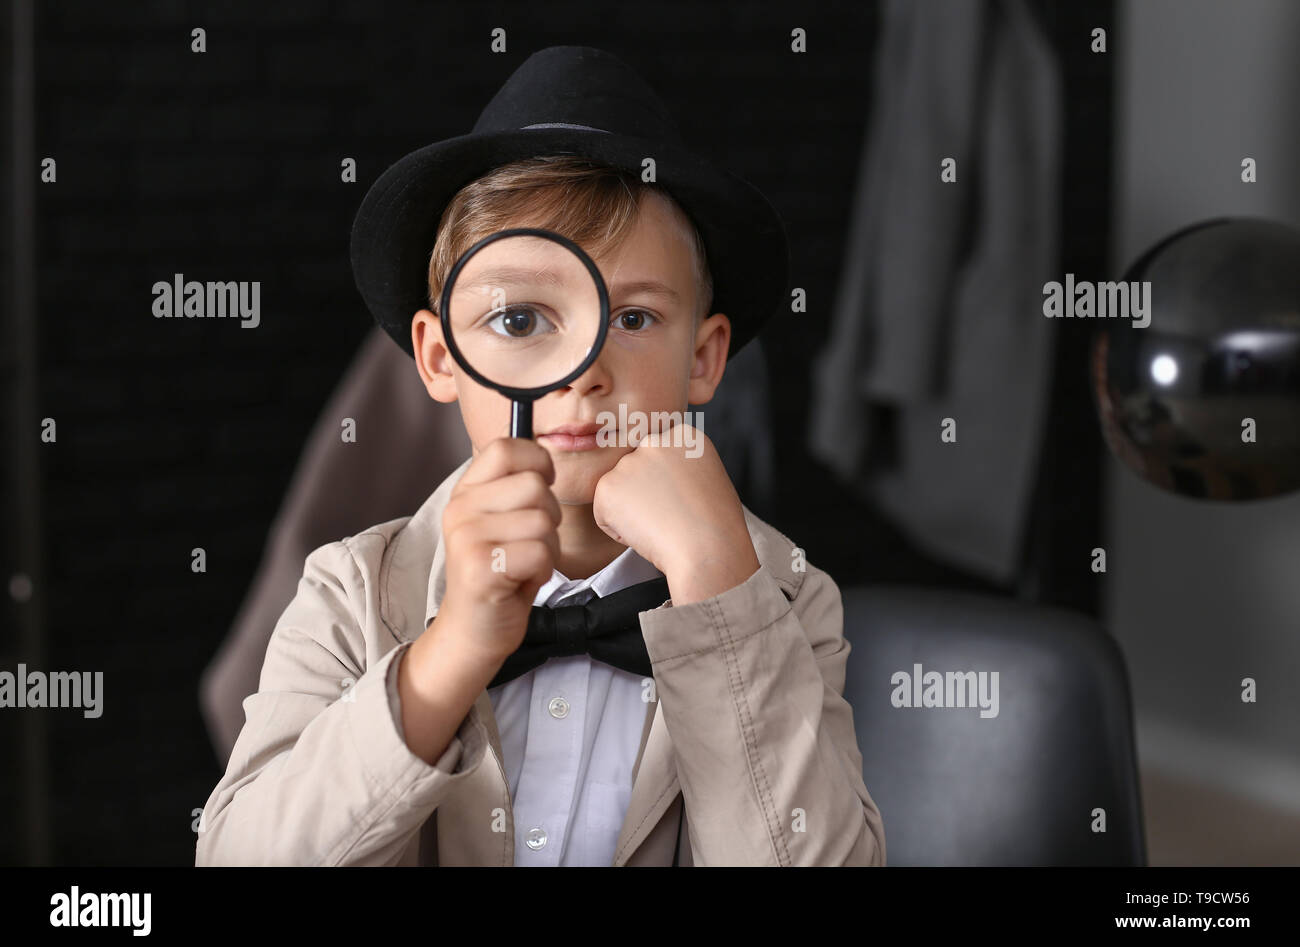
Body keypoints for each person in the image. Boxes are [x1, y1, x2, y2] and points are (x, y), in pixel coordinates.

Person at [195, 45, 885, 866]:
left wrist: (720, 591)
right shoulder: (352, 593)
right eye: (520, 320)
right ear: (441, 357)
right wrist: (446, 653)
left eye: (632, 320)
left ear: (703, 360)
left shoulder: (789, 596)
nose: (584, 373)